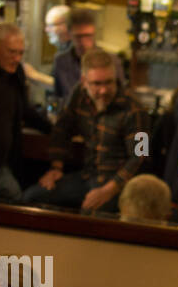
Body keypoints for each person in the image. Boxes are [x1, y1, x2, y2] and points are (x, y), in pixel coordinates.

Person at [22, 50, 147, 214]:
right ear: (84, 82)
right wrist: (56, 168)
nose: (103, 90)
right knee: (31, 198)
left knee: (89, 214)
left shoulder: (135, 108)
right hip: (87, 176)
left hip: (118, 185)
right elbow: (62, 127)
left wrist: (108, 190)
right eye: (96, 84)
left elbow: (140, 156)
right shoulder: (79, 94)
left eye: (109, 82)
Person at [0, 24, 53, 203]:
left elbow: (25, 110)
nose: (17, 58)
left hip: (9, 159)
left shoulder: (16, 73)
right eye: (11, 52)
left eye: (21, 52)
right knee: (16, 198)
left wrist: (53, 129)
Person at [52, 8, 125, 103]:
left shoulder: (111, 61)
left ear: (94, 33)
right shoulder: (61, 62)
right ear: (69, 34)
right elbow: (58, 97)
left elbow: (121, 97)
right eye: (78, 36)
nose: (83, 42)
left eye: (88, 36)